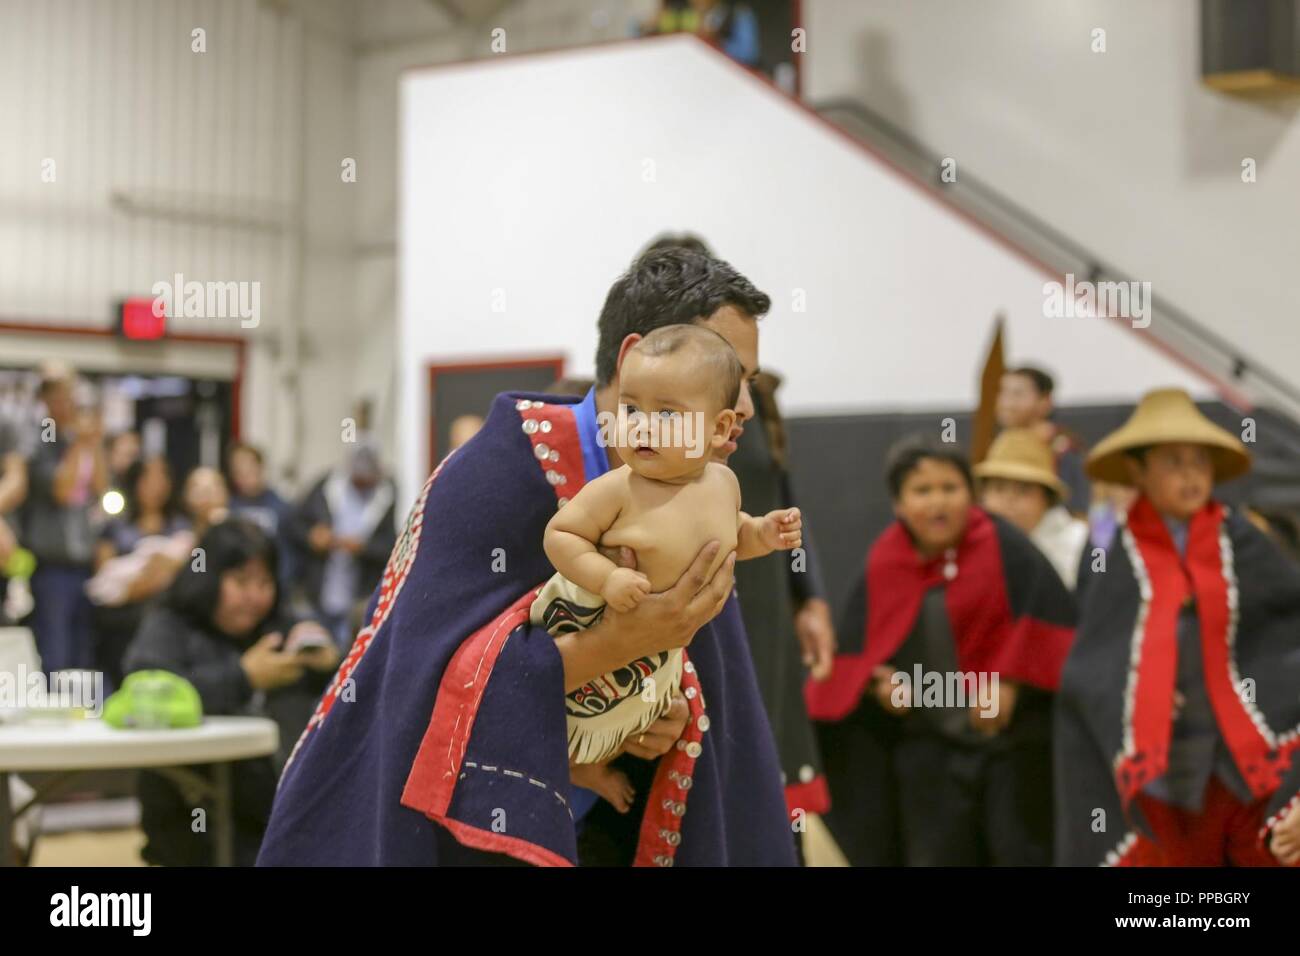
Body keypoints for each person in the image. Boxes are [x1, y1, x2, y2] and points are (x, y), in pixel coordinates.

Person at [258, 246, 798, 867]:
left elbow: (702, 679)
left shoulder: (698, 488)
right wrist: (616, 647)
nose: (747, 409)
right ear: (632, 360)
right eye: (731, 373)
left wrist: (668, 718)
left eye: (748, 383)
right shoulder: (498, 473)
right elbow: (418, 688)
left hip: (610, 829)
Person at [537, 325, 801, 810]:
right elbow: (561, 535)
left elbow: (732, 532)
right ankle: (579, 766)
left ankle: (596, 760)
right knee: (570, 709)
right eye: (632, 409)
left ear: (720, 429)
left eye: (666, 414)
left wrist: (761, 534)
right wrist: (607, 577)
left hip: (664, 646)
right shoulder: (620, 488)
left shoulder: (722, 482)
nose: (641, 425)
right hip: (591, 616)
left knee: (647, 711)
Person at [1055, 388, 1300, 866]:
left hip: (1247, 756)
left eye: (1198, 462)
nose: (1190, 475)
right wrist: (1136, 692)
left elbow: (1287, 634)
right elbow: (1093, 652)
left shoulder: (1243, 538)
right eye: (1172, 462)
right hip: (1166, 765)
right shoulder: (1111, 551)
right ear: (1137, 471)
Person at [808, 437, 1075, 866]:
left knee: (1019, 853)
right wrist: (880, 683)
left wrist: (1011, 683)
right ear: (898, 503)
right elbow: (859, 654)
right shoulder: (886, 560)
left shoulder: (1008, 547)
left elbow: (1052, 632)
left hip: (1010, 746)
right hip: (927, 749)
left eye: (950, 488)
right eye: (922, 491)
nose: (939, 502)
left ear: (970, 494)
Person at [122, 520, 338, 866]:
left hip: (280, 820)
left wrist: (329, 665)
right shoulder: (171, 624)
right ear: (207, 577)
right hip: (194, 820)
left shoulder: (275, 627)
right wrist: (243, 677)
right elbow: (147, 695)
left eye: (265, 582)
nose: (255, 596)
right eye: (241, 581)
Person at [21, 362, 107, 674]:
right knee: (55, 651)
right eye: (60, 396)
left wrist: (93, 443)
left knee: (82, 653)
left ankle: (83, 715)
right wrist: (79, 443)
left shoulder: (81, 441)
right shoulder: (37, 439)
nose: (68, 404)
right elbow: (61, 488)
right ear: (46, 399)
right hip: (51, 564)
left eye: (71, 395)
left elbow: (101, 488)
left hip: (84, 561)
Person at [88, 455, 190, 690]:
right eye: (148, 478)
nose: (156, 485)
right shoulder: (116, 524)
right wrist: (146, 579)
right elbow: (103, 576)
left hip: (163, 616)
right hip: (119, 618)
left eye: (162, 477)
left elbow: (183, 574)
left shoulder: (181, 527)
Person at [291, 441, 397, 648]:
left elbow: (391, 547)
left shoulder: (386, 496)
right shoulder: (327, 487)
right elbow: (293, 524)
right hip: (319, 592)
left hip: (359, 599)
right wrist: (312, 536)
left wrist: (363, 548)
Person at [975, 429, 1089, 590]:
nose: (1009, 500)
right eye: (999, 488)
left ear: (1047, 499)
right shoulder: (972, 544)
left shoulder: (1080, 543)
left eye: (1023, 490)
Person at [996, 366, 1089, 514]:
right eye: (1003, 393)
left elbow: (1076, 509)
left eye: (1018, 394)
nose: (1007, 403)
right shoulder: (1001, 444)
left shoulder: (1062, 450)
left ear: (1045, 401)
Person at [226, 442, 296, 588]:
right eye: (238, 470)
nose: (245, 474)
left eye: (249, 467)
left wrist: (281, 582)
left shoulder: (281, 507)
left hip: (275, 585)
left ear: (260, 467)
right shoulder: (227, 507)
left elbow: (289, 552)